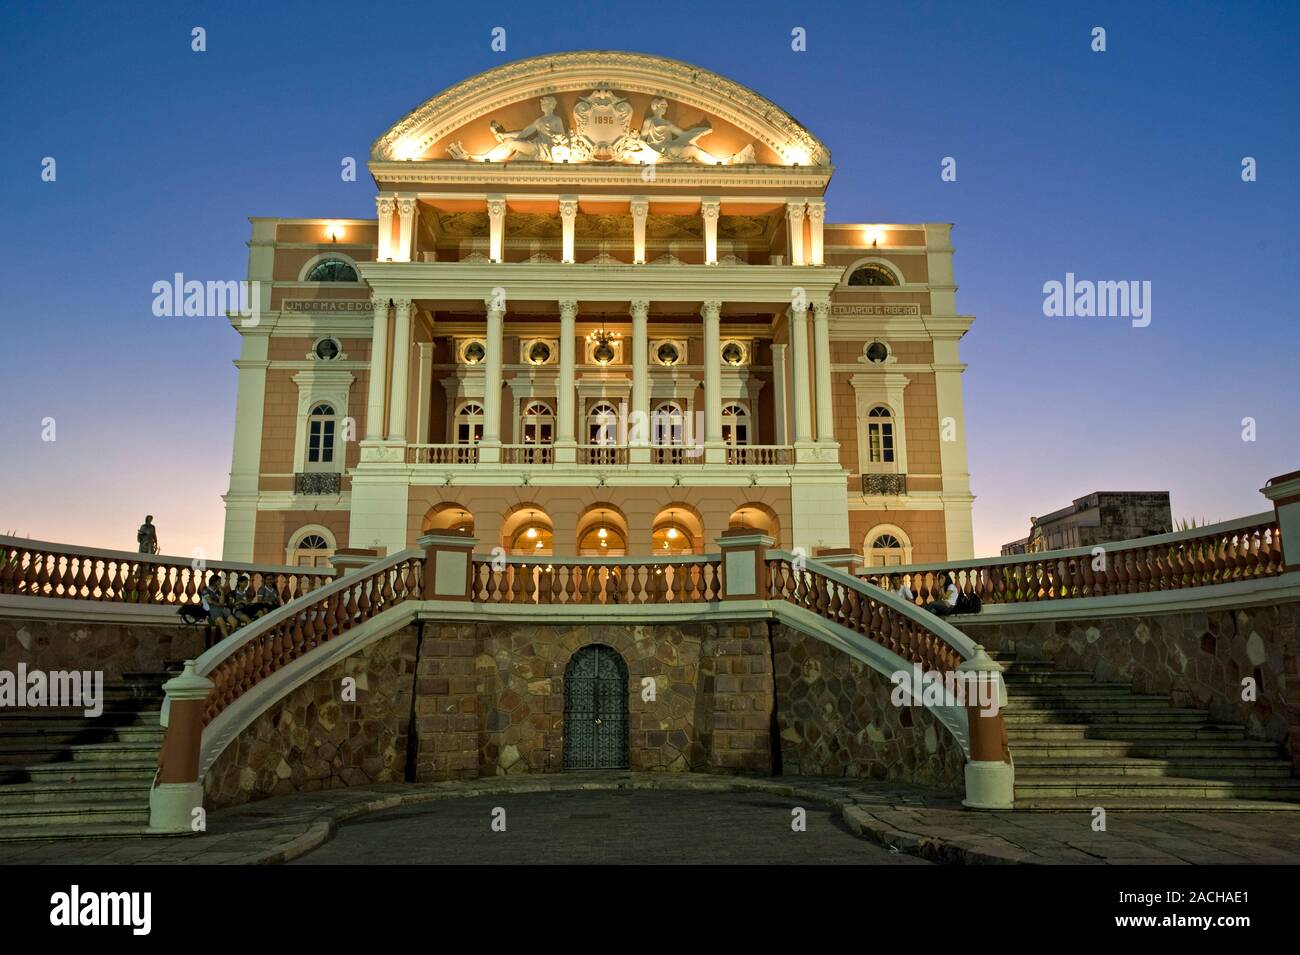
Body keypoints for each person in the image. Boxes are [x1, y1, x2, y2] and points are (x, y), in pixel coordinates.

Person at [200, 573, 234, 638]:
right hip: (210, 610)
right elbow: (210, 601)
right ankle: (228, 641)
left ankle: (229, 639)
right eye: (219, 581)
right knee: (222, 623)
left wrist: (222, 593)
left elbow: (222, 602)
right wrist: (220, 605)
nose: (220, 583)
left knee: (235, 622)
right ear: (214, 582)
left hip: (219, 608)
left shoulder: (218, 591)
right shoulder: (206, 590)